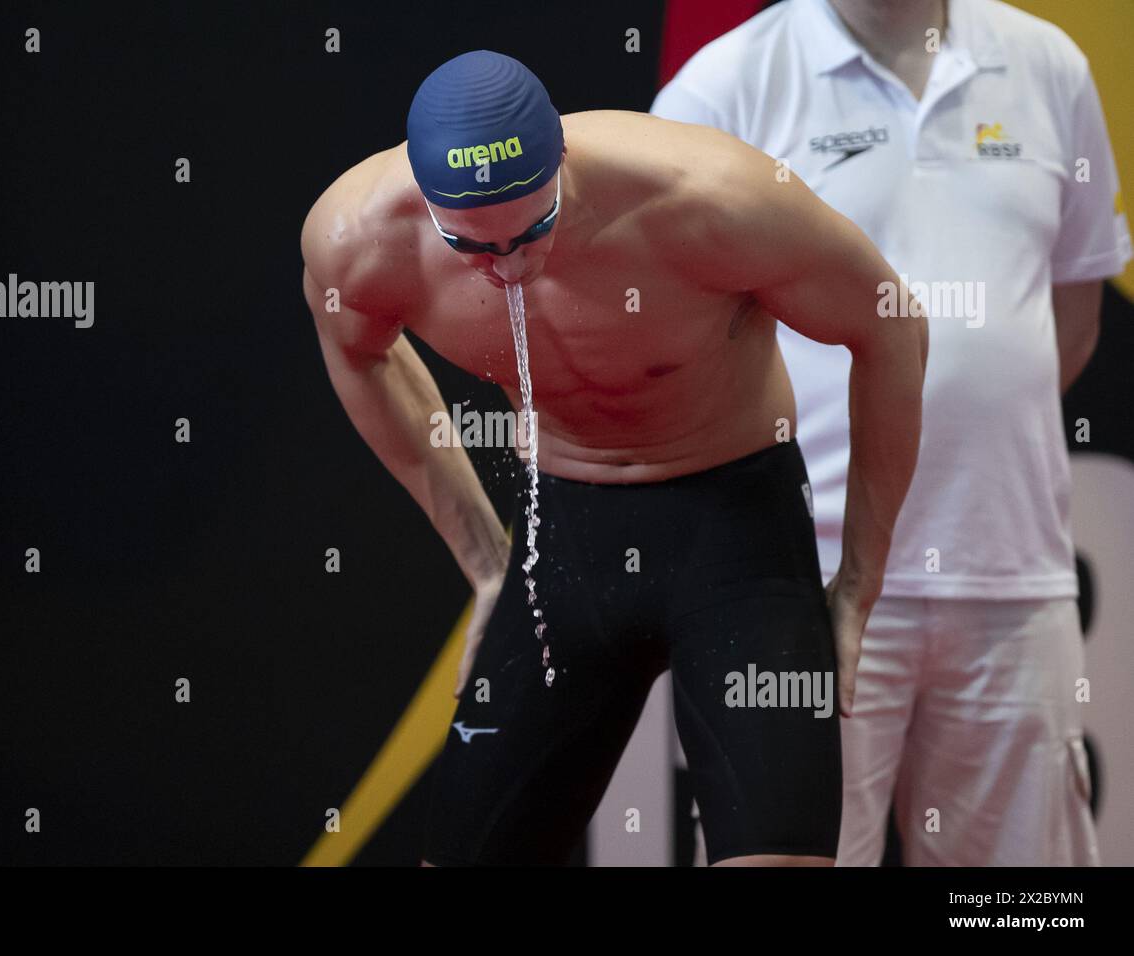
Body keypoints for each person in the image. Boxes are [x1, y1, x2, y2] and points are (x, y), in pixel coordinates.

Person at [301, 49, 927, 866]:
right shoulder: (355, 240)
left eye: (532, 231)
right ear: (425, 204)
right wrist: (486, 561)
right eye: (475, 250)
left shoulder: (707, 196)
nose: (511, 267)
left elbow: (891, 324)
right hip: (560, 539)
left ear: (560, 159)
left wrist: (859, 584)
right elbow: (361, 355)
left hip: (736, 532)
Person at [652, 0, 1131, 865]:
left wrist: (953, 440)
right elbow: (667, 349)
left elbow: (1074, 313)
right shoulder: (724, 88)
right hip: (800, 584)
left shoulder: (1049, 66)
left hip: (1009, 581)